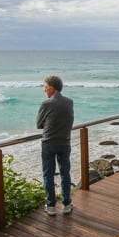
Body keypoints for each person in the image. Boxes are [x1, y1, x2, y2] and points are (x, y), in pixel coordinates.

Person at [36, 75, 75, 216]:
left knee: (48, 174)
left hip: (49, 143)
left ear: (51, 89)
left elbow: (39, 124)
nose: (44, 90)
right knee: (65, 173)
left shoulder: (46, 103)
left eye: (45, 87)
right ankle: (66, 204)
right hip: (65, 142)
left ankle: (51, 206)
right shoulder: (69, 102)